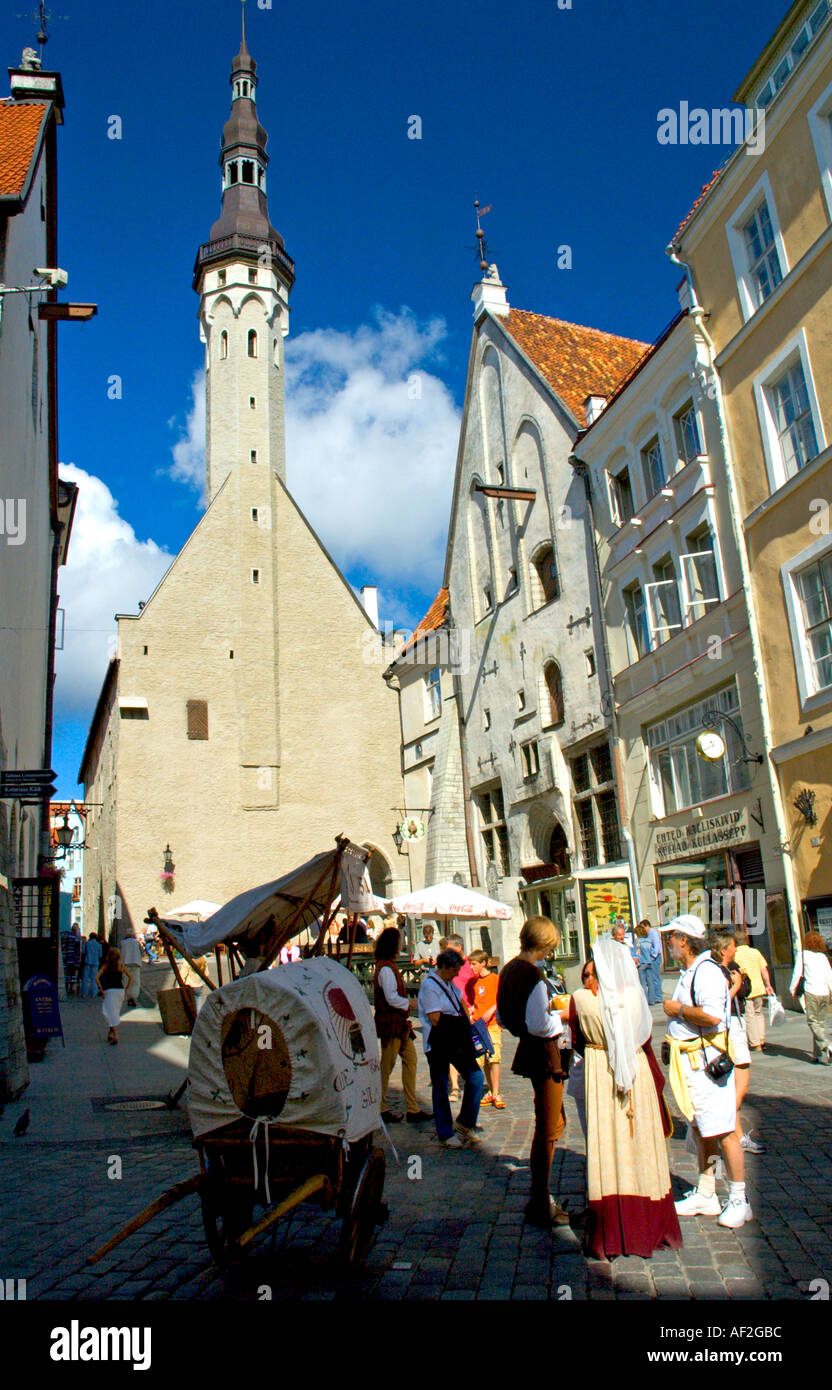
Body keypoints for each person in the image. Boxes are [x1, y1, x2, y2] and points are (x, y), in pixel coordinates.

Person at [569, 940, 682, 1259]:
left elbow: (576, 1038)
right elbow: (644, 1036)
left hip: (602, 1073)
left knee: (609, 1145)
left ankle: (614, 1228)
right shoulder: (635, 996)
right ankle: (649, 1222)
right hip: (637, 1072)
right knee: (642, 1144)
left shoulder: (580, 999)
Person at [661, 914, 752, 1229]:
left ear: (684, 940)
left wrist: (679, 1011)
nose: (668, 942)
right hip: (693, 1064)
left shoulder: (707, 972)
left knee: (725, 1131)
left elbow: (714, 1016)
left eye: (672, 936)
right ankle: (706, 1191)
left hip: (707, 1064)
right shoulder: (690, 971)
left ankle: (739, 1197)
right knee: (702, 1128)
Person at [497, 916, 569, 1228]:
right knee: (548, 1126)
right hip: (543, 1052)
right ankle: (540, 1197)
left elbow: (502, 1016)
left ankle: (541, 1194)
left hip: (530, 1048)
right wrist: (562, 1015)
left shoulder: (509, 969)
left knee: (555, 1121)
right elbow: (540, 1024)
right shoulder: (532, 975)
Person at [417, 949, 484, 1148]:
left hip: (456, 1040)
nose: (457, 974)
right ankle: (445, 1133)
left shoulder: (449, 983)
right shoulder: (430, 986)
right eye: (454, 970)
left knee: (476, 1077)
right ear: (444, 967)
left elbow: (460, 1003)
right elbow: (435, 1018)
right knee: (440, 1086)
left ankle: (465, 1122)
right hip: (437, 1042)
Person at [709, 929, 764, 1153]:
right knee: (739, 1086)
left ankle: (737, 1135)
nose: (736, 949)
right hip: (730, 1026)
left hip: (736, 1023)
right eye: (732, 946)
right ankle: (725, 1129)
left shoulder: (730, 967)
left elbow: (746, 991)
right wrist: (735, 986)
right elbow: (720, 1004)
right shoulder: (714, 972)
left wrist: (742, 981)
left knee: (735, 1086)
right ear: (724, 949)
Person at [374, 925, 432, 1125]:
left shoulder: (388, 966)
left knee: (410, 1060)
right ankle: (380, 1107)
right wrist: (410, 1003)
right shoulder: (386, 969)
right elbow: (391, 997)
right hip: (392, 1022)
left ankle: (412, 1108)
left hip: (399, 1023)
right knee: (387, 1066)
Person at [466, 949, 504, 1109]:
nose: (471, 967)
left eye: (473, 964)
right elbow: (477, 1001)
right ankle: (490, 1090)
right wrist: (472, 1011)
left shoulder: (495, 979)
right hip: (479, 1026)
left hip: (492, 1024)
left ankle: (496, 1092)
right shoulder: (475, 983)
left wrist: (492, 1009)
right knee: (484, 1059)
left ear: (483, 963)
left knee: (494, 1057)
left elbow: (500, 999)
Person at [790, 931, 832, 1065]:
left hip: (811, 991)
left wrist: (793, 990)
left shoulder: (803, 955)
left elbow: (797, 974)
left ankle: (827, 1045)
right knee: (819, 1024)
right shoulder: (823, 957)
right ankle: (817, 1055)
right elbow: (829, 976)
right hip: (824, 992)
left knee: (812, 1022)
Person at [734, 933, 774, 1051]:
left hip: (746, 989)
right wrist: (768, 985)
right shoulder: (755, 952)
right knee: (758, 1013)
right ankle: (761, 1038)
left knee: (749, 1016)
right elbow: (763, 969)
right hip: (759, 987)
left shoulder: (736, 954)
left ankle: (755, 1043)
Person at [95, 947, 133, 1045]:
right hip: (120, 991)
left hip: (109, 991)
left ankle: (115, 1034)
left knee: (109, 1012)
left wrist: (101, 989)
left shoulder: (105, 966)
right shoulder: (121, 966)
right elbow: (131, 978)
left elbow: (97, 977)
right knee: (114, 1012)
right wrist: (126, 989)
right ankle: (110, 1033)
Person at [636, 918, 663, 1005]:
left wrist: (653, 956)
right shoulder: (648, 937)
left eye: (643, 927)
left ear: (647, 926)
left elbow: (656, 947)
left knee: (652, 979)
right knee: (651, 981)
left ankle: (657, 997)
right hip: (650, 960)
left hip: (653, 958)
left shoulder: (652, 933)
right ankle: (653, 998)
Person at [121, 930, 143, 1007]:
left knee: (126, 981)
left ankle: (127, 996)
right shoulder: (137, 942)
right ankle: (134, 996)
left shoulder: (123, 943)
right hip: (136, 963)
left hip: (126, 964)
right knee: (135, 982)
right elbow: (142, 951)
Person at [80, 932, 103, 999]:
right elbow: (100, 955)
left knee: (85, 978)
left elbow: (83, 952)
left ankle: (84, 993)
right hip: (95, 962)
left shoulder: (86, 944)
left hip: (87, 961)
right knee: (94, 978)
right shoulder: (99, 945)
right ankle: (94, 993)